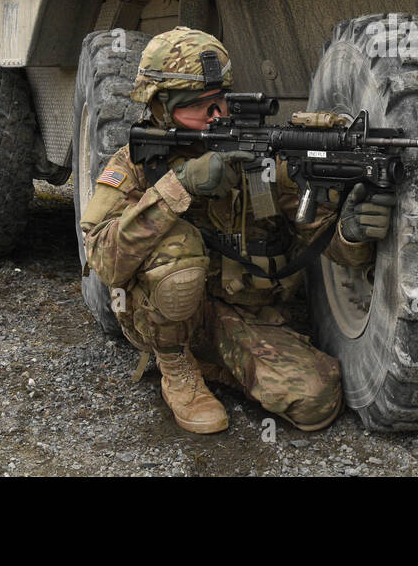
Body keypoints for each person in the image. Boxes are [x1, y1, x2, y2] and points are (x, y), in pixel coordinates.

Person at [80, 27, 394, 434]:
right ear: (160, 108)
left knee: (315, 400)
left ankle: (216, 361)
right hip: (166, 308)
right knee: (178, 251)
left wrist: (350, 234)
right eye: (200, 106)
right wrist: (180, 186)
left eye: (221, 101)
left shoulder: (260, 157)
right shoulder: (136, 164)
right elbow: (102, 258)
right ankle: (176, 367)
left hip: (243, 312)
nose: (218, 115)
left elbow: (314, 243)